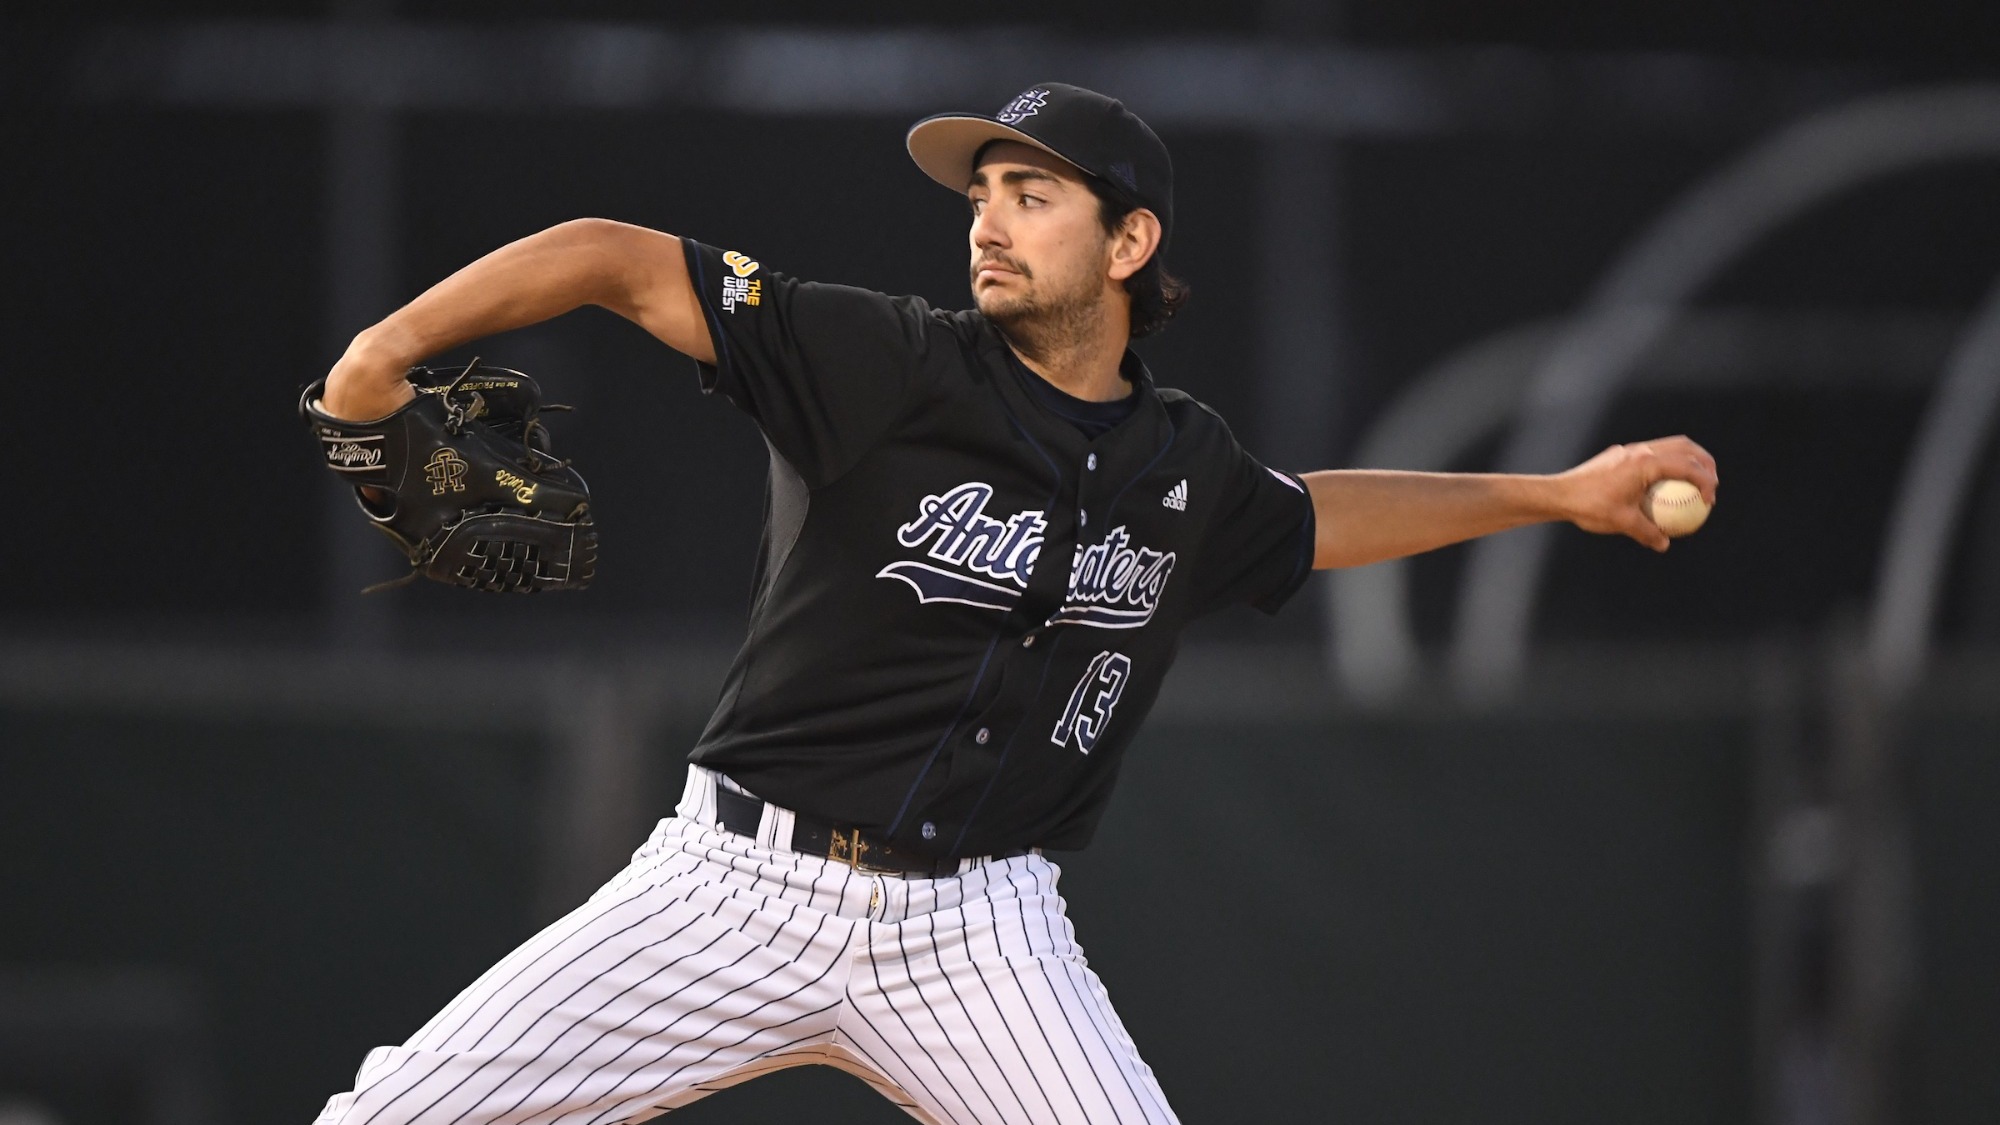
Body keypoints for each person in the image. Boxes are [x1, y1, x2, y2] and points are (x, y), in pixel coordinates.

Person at [310, 82, 1718, 1125]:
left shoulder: (1183, 467)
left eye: (1030, 195)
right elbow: (615, 254)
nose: (986, 220)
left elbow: (1315, 514)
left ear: (1128, 241)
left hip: (977, 930)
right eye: (980, 192)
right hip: (738, 886)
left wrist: (1556, 492)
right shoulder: (885, 361)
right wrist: (385, 349)